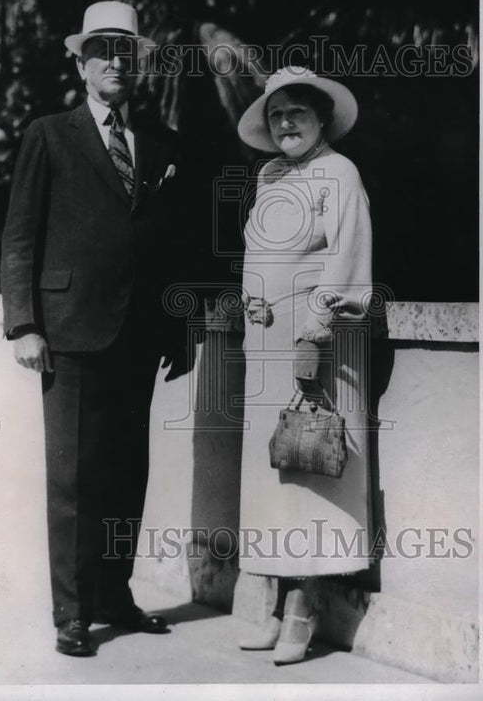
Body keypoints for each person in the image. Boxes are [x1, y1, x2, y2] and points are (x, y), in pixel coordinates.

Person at [1, 1, 192, 657]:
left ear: (138, 63)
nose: (116, 61)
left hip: (139, 334)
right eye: (102, 50)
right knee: (74, 476)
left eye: (127, 50)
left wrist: (180, 327)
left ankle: (115, 593)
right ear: (81, 63)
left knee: (126, 471)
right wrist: (24, 323)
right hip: (69, 330)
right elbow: (20, 235)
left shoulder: (162, 142)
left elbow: (173, 246)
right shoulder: (49, 134)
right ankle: (74, 611)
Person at [235, 67, 372, 664]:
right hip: (265, 341)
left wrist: (318, 328)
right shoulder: (270, 175)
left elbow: (348, 254)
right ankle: (271, 594)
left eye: (297, 112)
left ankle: (304, 607)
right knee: (273, 474)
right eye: (276, 114)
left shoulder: (339, 173)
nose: (285, 122)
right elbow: (256, 254)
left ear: (320, 118)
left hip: (314, 337)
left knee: (310, 465)